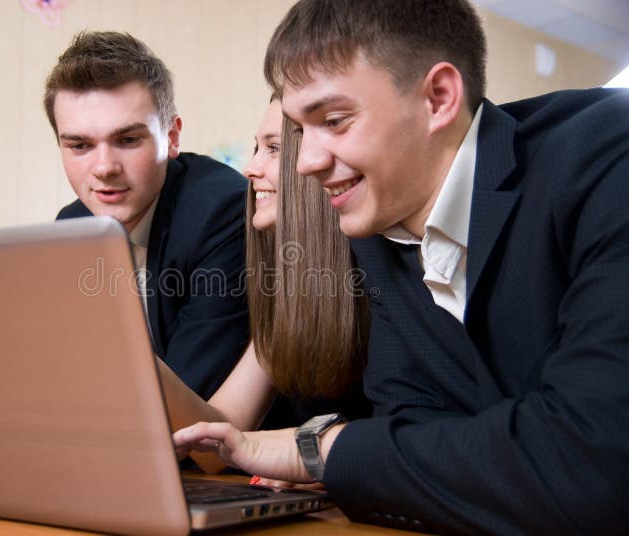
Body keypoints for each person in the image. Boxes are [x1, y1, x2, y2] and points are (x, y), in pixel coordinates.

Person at [173, 0, 629, 533]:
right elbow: (410, 435)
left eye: (334, 121)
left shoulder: (605, 159)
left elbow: (589, 462)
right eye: (300, 131)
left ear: (438, 97)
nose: (305, 163)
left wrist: (324, 449)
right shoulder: (380, 233)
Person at [160, 96, 370, 473]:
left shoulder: (376, 274)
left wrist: (300, 457)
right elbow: (217, 440)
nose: (250, 168)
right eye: (257, 148)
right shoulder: (288, 288)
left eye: (273, 149)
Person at [46, 31, 249, 399]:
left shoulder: (222, 213)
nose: (105, 167)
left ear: (171, 137)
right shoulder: (71, 226)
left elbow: (191, 393)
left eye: (127, 140)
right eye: (80, 146)